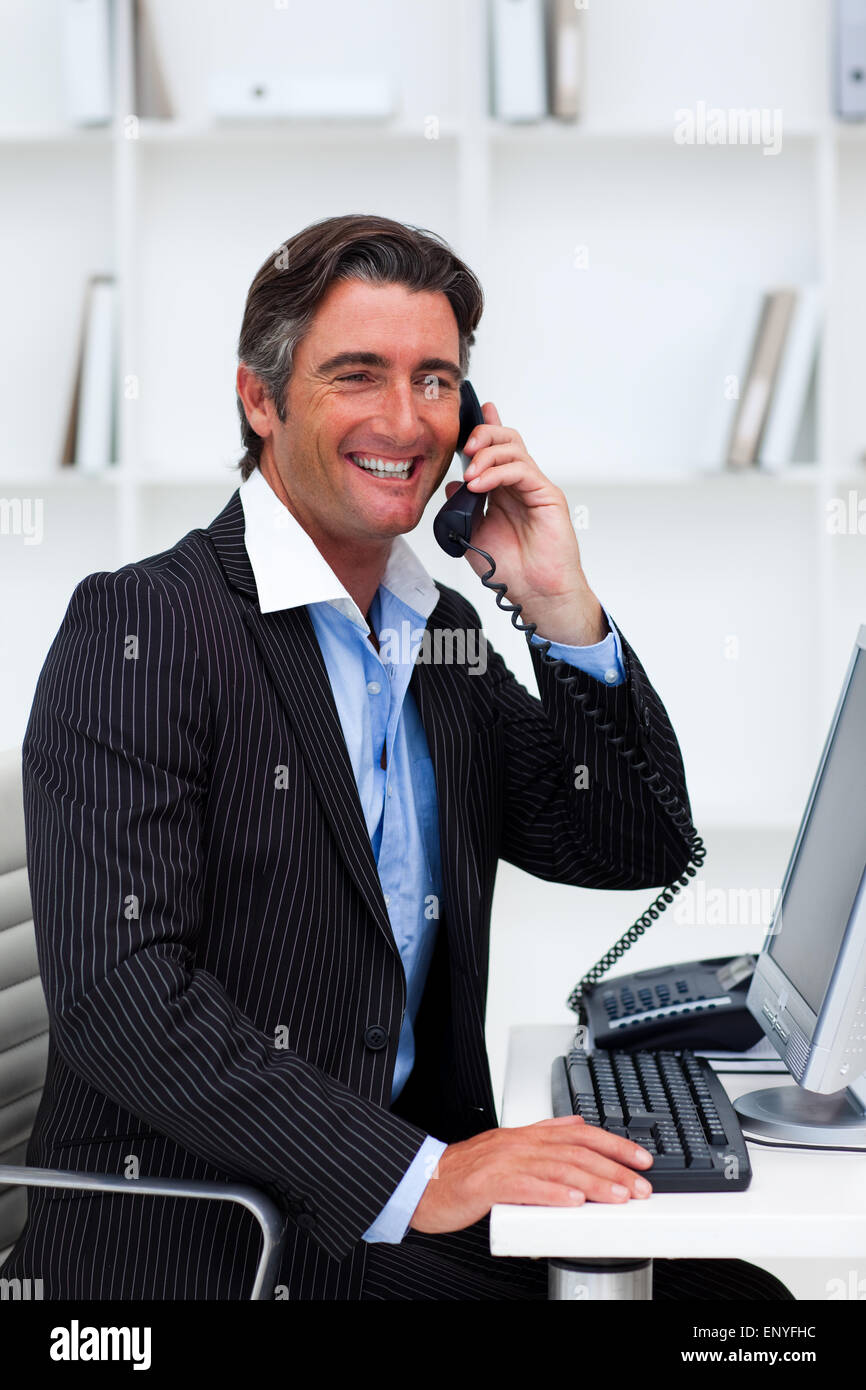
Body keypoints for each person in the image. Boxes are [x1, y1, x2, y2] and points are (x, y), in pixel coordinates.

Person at [4, 214, 792, 1300]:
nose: (403, 418)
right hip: (228, 1244)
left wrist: (554, 601)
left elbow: (631, 839)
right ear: (259, 399)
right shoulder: (144, 626)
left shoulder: (438, 637)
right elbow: (123, 1000)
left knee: (735, 1302)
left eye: (434, 381)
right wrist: (420, 1174)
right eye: (356, 375)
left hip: (382, 1217)